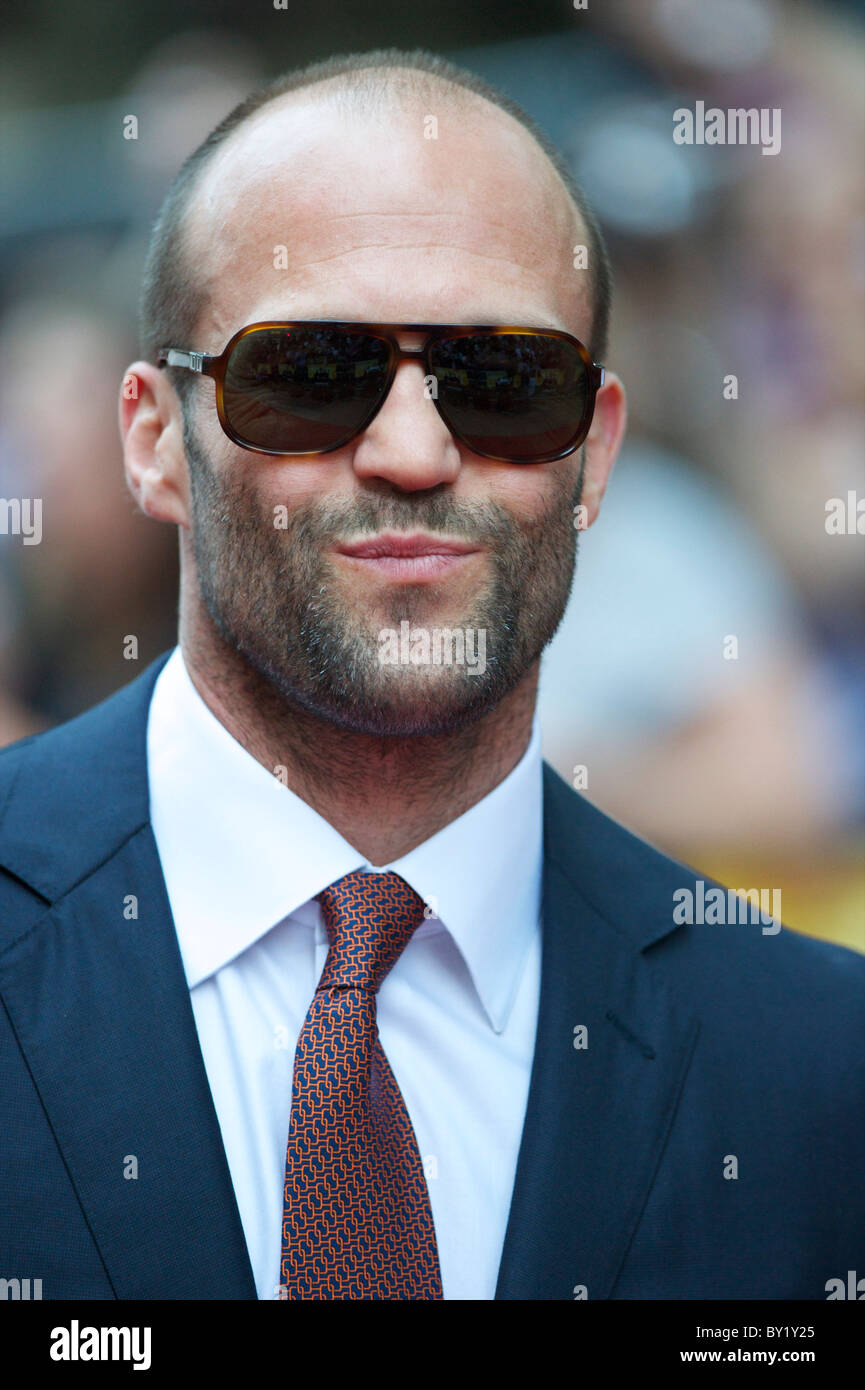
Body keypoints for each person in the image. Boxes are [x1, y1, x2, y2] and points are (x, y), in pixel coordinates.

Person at [0, 48, 861, 1302]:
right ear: (154, 441)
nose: (413, 449)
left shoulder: (815, 1068)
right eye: (309, 374)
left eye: (505, 382)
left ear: (595, 450)